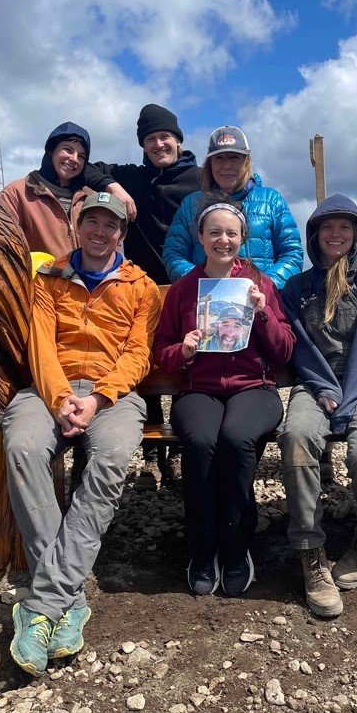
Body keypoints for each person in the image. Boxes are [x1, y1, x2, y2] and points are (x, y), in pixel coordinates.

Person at [1, 191, 161, 675]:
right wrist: (59, 398)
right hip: (50, 389)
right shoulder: (48, 277)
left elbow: (138, 355)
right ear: (77, 228)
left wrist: (96, 398)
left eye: (109, 225)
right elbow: (41, 345)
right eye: (90, 222)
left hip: (112, 396)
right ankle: (68, 599)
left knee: (111, 459)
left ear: (121, 233)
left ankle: (42, 604)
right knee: (23, 446)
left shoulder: (142, 287)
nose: (99, 231)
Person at [153, 194, 294, 597]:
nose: (223, 240)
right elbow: (160, 351)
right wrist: (182, 350)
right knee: (201, 442)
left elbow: (284, 351)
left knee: (236, 439)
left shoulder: (259, 283)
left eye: (231, 233)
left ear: (242, 238)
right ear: (200, 237)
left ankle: (236, 549)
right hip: (199, 389)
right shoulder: (183, 289)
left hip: (255, 389)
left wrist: (263, 313)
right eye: (214, 232)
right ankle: (201, 550)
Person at [278, 195, 357, 618]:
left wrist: (347, 399)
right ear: (315, 235)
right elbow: (299, 347)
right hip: (317, 385)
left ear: (356, 235)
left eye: (344, 228)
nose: (335, 235)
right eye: (327, 228)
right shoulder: (298, 287)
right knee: (296, 437)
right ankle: (311, 552)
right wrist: (321, 386)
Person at [84, 104, 203, 489]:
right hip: (143, 286)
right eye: (150, 139)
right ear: (143, 145)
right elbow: (89, 167)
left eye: (164, 136)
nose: (158, 144)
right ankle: (152, 456)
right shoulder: (133, 177)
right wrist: (114, 188)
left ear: (178, 139)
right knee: (145, 361)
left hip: (191, 285)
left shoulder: (200, 178)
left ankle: (184, 450)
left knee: (189, 359)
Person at [162, 125, 302, 290]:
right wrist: (200, 282)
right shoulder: (190, 204)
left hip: (260, 304)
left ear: (246, 161)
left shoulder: (271, 200)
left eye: (234, 157)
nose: (227, 165)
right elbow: (173, 254)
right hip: (205, 304)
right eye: (219, 158)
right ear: (209, 164)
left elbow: (292, 254)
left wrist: (263, 286)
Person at [1, 122, 92, 258]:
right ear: (51, 150)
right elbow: (0, 248)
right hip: (38, 279)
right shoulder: (16, 193)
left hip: (85, 280)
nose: (74, 159)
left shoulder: (91, 197)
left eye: (81, 156)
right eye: (68, 150)